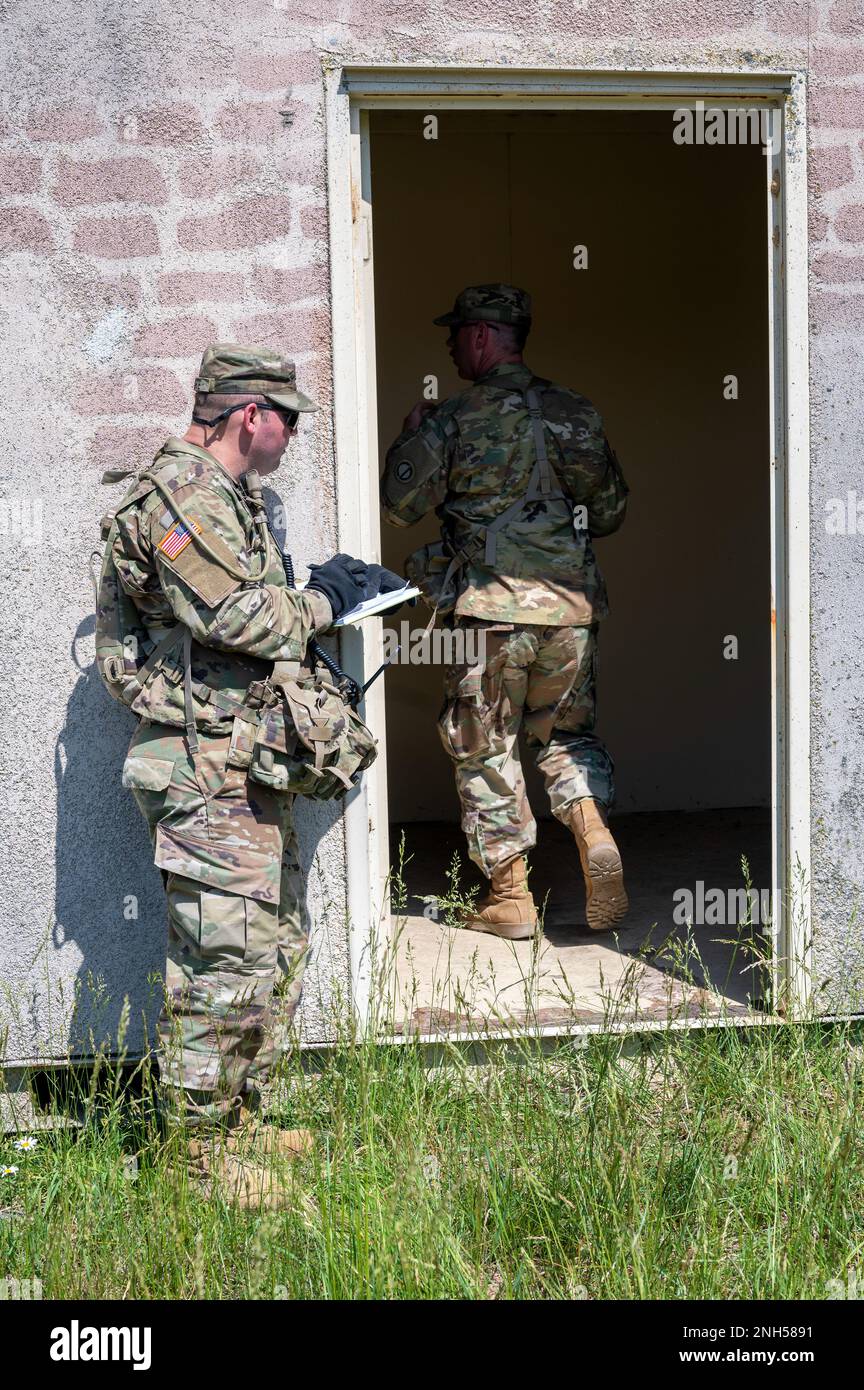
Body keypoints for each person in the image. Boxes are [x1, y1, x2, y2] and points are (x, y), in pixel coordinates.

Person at [98, 343, 371, 1206]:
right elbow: (237, 614)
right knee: (223, 957)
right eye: (287, 419)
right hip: (199, 765)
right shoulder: (179, 493)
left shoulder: (224, 495)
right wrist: (329, 597)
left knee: (270, 944)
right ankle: (195, 1159)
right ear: (250, 414)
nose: (292, 436)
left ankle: (238, 1114)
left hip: (241, 760)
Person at [381, 285, 630, 940]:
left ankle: (511, 897)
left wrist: (410, 441)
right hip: (571, 614)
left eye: (457, 332)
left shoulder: (454, 420)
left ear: (485, 337)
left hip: (491, 613)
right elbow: (609, 512)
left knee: (485, 745)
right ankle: (592, 829)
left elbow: (402, 505)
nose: (450, 344)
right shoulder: (576, 412)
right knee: (566, 737)